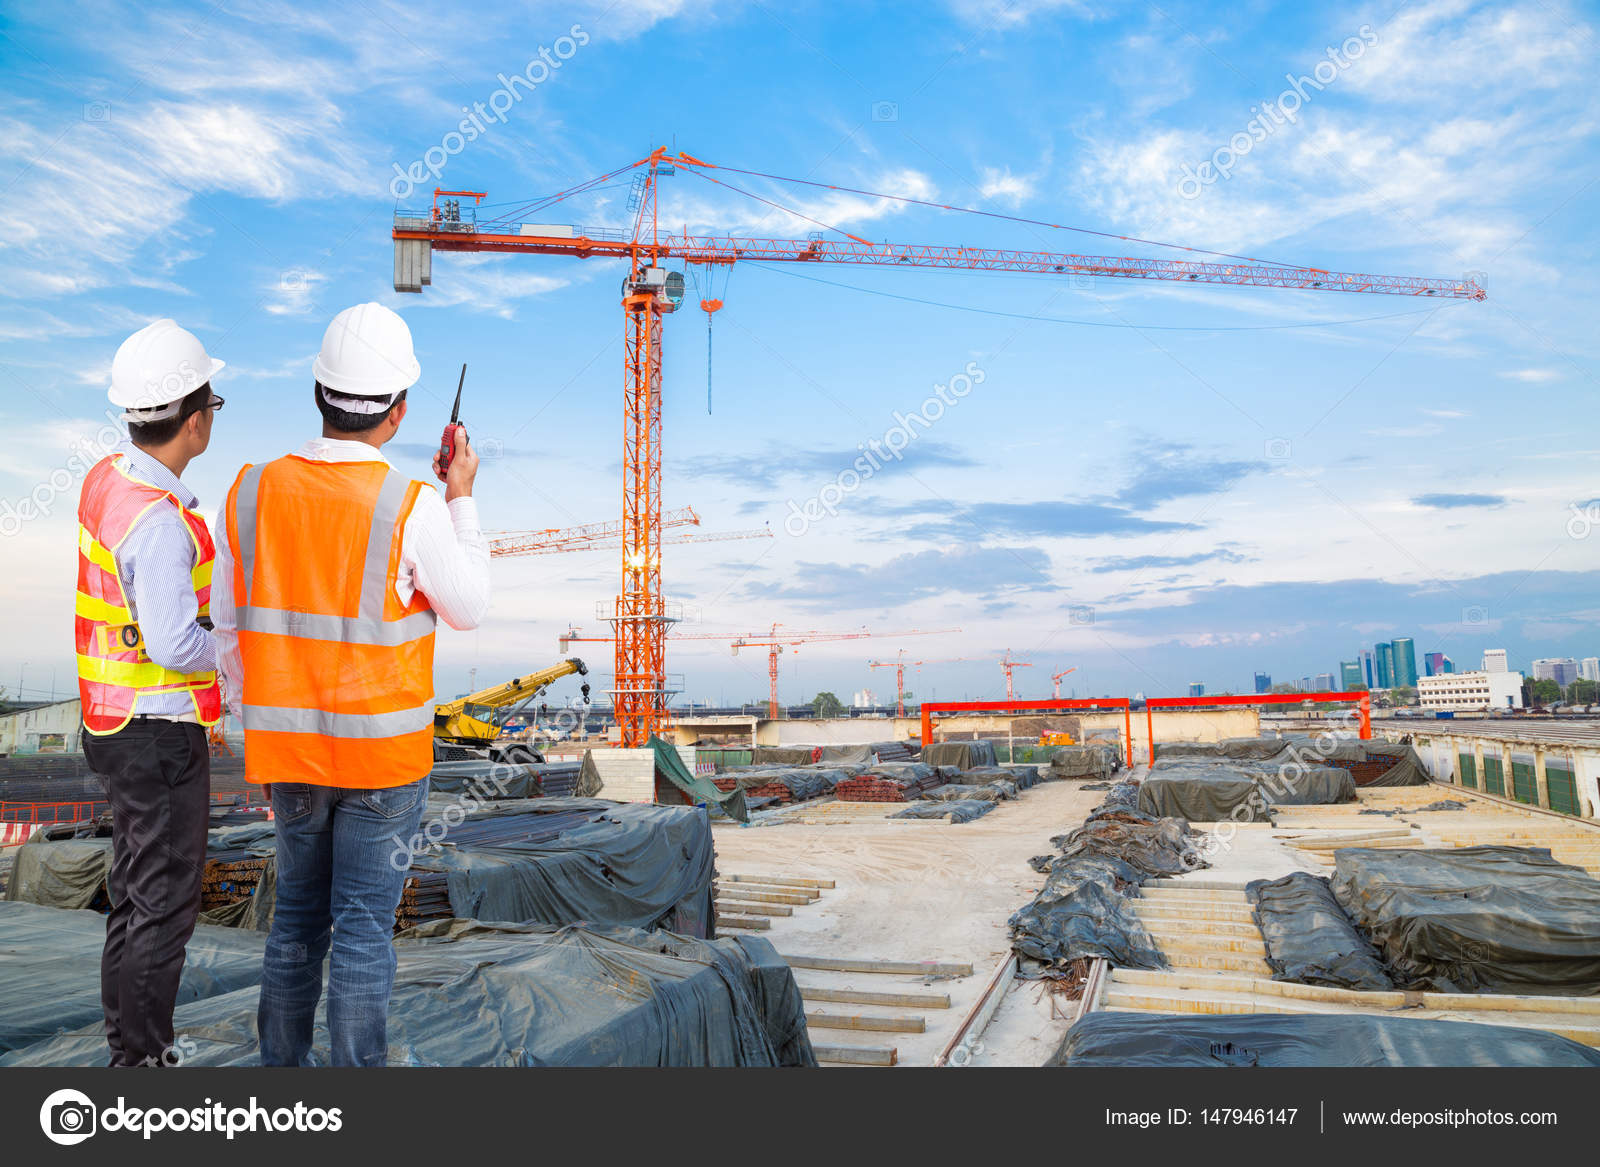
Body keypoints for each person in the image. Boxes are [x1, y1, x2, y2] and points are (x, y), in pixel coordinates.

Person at [212, 302, 489, 1066]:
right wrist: (461, 494)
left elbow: (227, 628)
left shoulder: (248, 490)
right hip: (381, 762)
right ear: (399, 413)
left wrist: (256, 721)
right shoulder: (413, 505)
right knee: (363, 932)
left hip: (289, 756)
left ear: (317, 394)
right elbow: (469, 605)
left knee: (295, 921)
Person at [75, 319, 227, 1067]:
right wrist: (231, 654)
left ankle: (127, 1048)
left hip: (112, 721)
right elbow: (174, 644)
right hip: (158, 733)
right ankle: (142, 1063)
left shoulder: (108, 478)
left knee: (135, 897)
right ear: (194, 420)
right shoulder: (161, 523)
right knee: (163, 909)